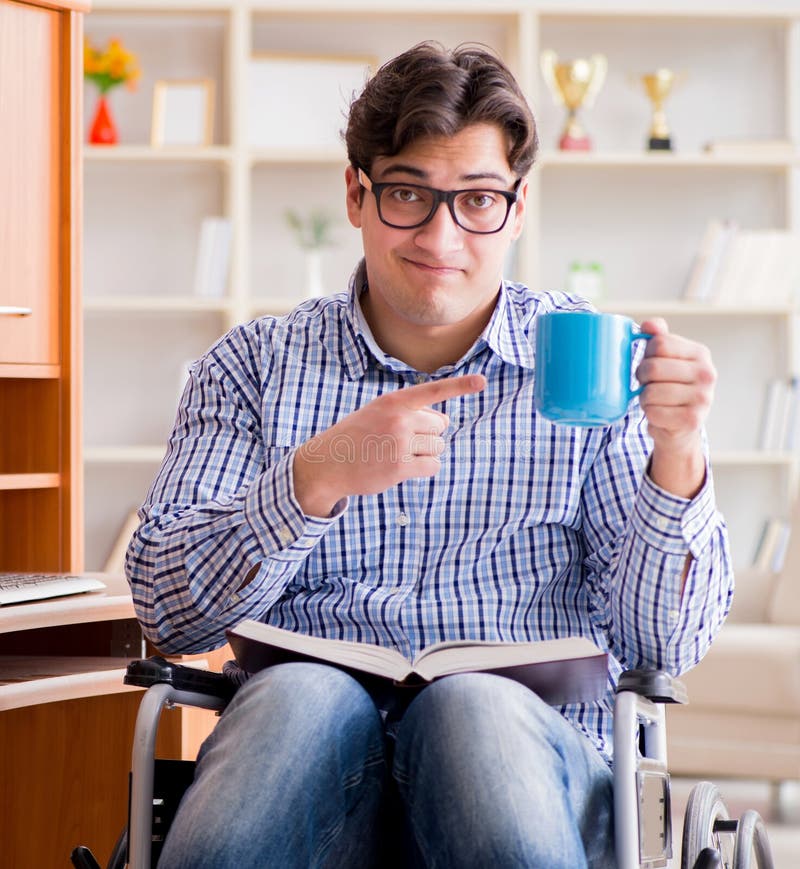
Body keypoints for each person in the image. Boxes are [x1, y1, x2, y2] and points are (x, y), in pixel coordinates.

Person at [127, 41, 733, 868]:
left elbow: (662, 648)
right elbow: (167, 609)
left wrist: (678, 451)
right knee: (301, 698)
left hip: (528, 780)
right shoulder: (255, 367)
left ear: (516, 209)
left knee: (472, 712)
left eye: (478, 198)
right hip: (304, 782)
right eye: (409, 193)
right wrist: (315, 479)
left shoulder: (595, 367)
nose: (442, 233)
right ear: (358, 194)